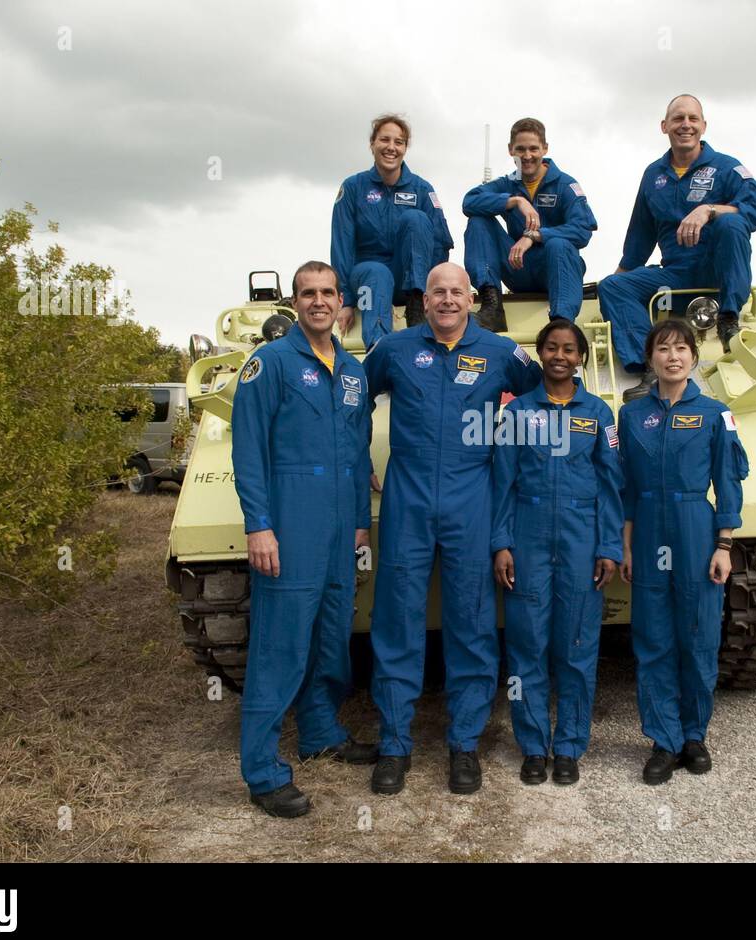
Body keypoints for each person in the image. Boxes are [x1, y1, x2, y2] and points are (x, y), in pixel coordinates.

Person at [363, 262, 542, 796]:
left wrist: (526, 464)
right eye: (437, 292)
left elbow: (541, 395)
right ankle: (394, 744)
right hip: (408, 495)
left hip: (472, 496)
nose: (446, 300)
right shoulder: (393, 350)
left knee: (472, 620)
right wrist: (355, 455)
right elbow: (349, 400)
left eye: (455, 292)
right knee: (398, 618)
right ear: (424, 298)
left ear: (471, 299)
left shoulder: (499, 351)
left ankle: (464, 743)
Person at [230, 261, 378, 818]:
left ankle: (321, 731)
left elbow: (359, 450)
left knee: (332, 637)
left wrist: (361, 520)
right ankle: (264, 772)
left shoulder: (353, 372)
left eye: (328, 293)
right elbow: (248, 451)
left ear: (342, 301)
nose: (319, 301)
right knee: (281, 647)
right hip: (290, 523)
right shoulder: (268, 364)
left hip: (341, 525)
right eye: (308, 293)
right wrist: (258, 525)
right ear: (294, 302)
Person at [617, 318, 750, 785]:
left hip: (696, 526)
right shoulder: (631, 415)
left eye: (681, 348)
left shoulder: (718, 413)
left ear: (694, 357)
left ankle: (694, 735)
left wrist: (724, 544)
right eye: (662, 349)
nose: (672, 357)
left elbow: (728, 482)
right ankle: (663, 739)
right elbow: (627, 487)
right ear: (650, 358)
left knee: (698, 639)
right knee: (653, 640)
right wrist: (627, 545)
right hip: (650, 529)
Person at [491, 319, 623, 785]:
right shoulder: (517, 412)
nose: (559, 356)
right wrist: (501, 543)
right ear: (541, 354)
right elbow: (502, 483)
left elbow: (611, 484)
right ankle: (532, 746)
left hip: (581, 540)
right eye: (551, 348)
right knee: (526, 646)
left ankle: (568, 747)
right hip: (526, 539)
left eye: (569, 348)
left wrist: (608, 545)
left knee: (576, 648)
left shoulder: (599, 414)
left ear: (581, 357)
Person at [598, 94, 756, 400]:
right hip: (677, 275)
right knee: (612, 286)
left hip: (718, 274)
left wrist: (711, 210)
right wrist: (614, 281)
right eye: (678, 119)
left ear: (703, 126)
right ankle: (649, 369)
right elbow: (639, 236)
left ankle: (728, 322)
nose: (685, 125)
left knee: (732, 223)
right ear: (664, 126)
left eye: (692, 118)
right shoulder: (654, 175)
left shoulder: (727, 167)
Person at [461, 118, 597, 331]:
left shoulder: (566, 185)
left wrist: (535, 235)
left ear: (545, 148)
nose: (527, 156)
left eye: (533, 148)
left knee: (558, 245)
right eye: (520, 149)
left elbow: (583, 230)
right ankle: (492, 306)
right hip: (519, 268)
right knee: (478, 220)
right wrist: (514, 201)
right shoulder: (507, 184)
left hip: (557, 271)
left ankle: (561, 324)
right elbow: (469, 201)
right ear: (510, 150)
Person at [331, 114, 453, 349]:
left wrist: (435, 292)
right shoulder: (353, 188)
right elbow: (341, 244)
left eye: (398, 142)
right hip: (368, 274)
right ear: (372, 144)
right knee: (377, 272)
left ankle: (418, 306)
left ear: (405, 148)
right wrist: (344, 300)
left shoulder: (422, 189)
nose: (391, 147)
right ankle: (379, 350)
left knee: (415, 218)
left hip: (411, 279)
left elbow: (440, 241)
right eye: (384, 140)